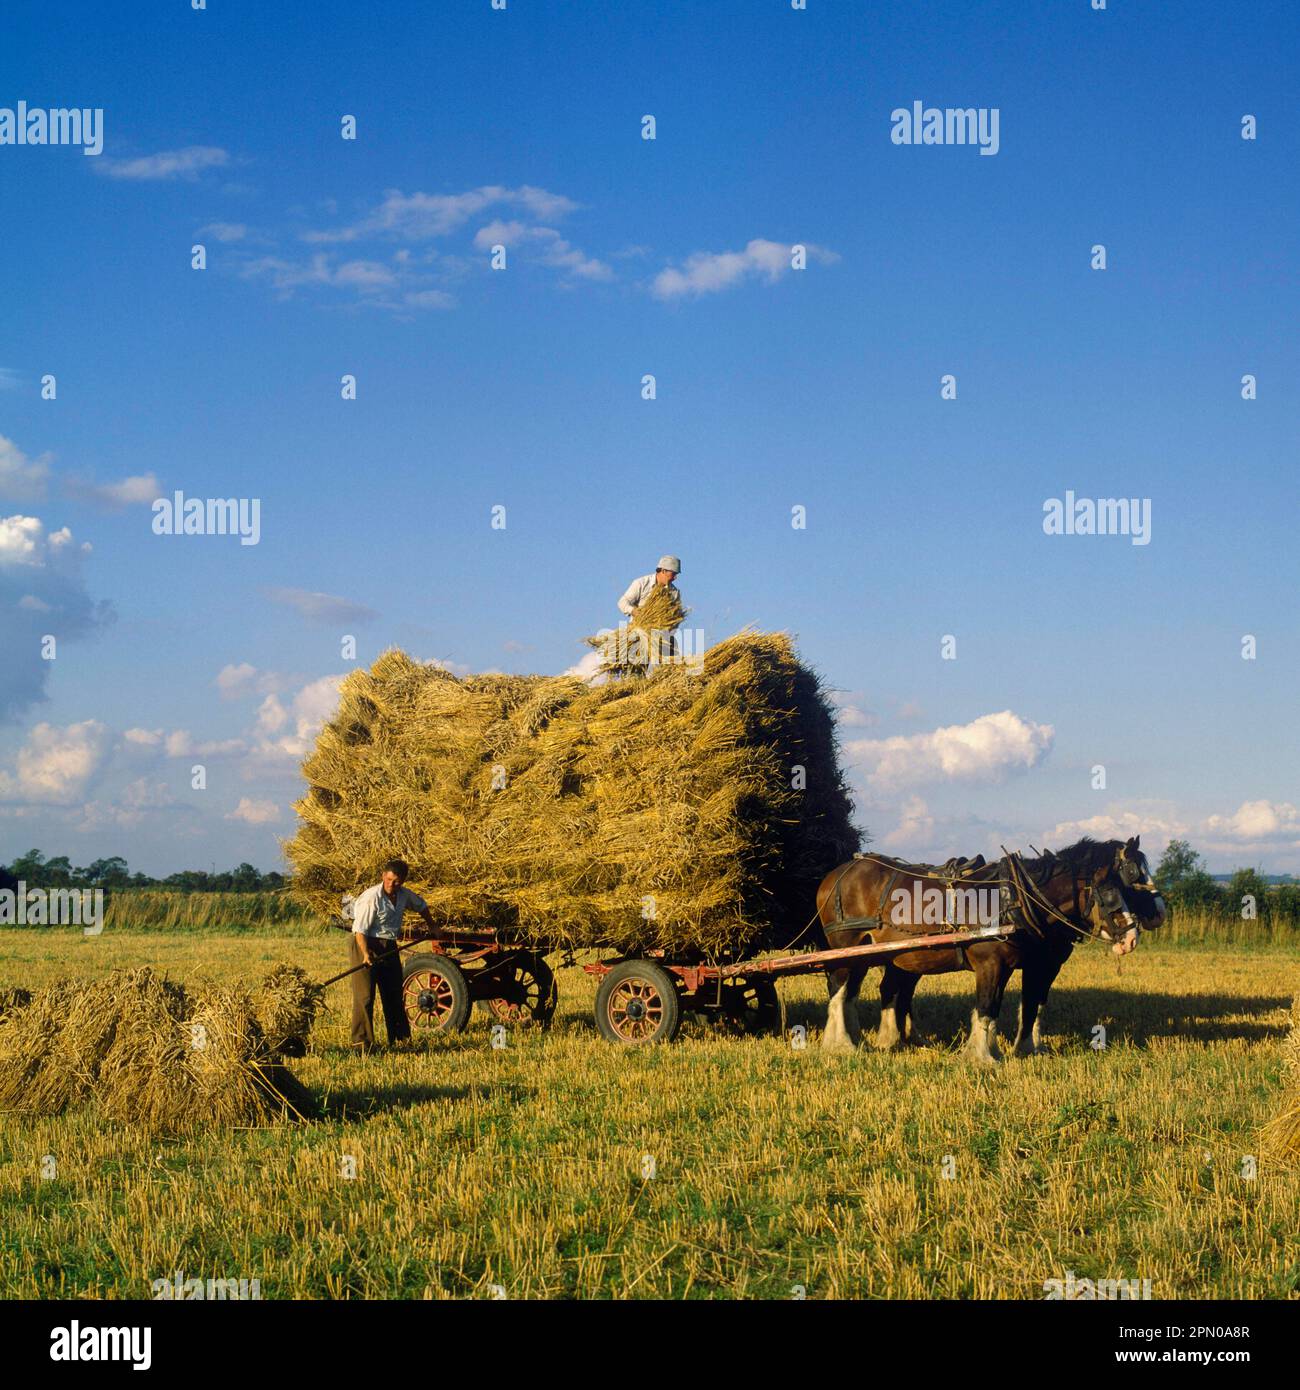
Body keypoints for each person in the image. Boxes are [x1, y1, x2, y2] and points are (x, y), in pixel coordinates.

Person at [347, 858, 437, 1052]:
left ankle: (400, 1040)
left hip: (388, 946)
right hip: (364, 943)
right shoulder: (372, 897)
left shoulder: (404, 895)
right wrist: (365, 954)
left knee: (394, 994)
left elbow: (421, 906)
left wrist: (432, 926)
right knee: (365, 997)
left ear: (403, 881)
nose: (391, 884)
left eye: (396, 881)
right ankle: (361, 1045)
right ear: (383, 877)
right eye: (388, 880)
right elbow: (359, 931)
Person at [617, 555, 682, 619]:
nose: (675, 578)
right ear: (663, 571)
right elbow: (622, 602)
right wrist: (633, 611)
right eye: (673, 574)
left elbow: (676, 615)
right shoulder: (641, 583)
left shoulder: (674, 592)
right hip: (638, 628)